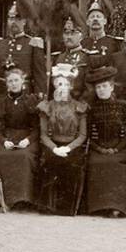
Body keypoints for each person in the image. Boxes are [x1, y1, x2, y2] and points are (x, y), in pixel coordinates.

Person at [84, 64, 126, 217]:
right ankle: (98, 206)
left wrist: (116, 149)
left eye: (104, 86)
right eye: (98, 87)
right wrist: (99, 148)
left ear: (112, 87)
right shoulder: (91, 108)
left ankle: (116, 207)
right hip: (98, 147)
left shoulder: (123, 106)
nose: (101, 90)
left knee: (116, 163)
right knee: (96, 162)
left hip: (119, 148)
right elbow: (88, 135)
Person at [37, 64, 87, 215]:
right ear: (54, 85)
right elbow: (43, 134)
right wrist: (54, 148)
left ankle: (66, 208)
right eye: (59, 84)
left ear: (71, 86)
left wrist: (69, 148)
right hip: (53, 145)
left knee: (71, 165)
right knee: (51, 162)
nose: (62, 87)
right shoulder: (47, 107)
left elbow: (82, 135)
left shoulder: (79, 107)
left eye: (66, 84)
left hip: (72, 146)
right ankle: (49, 206)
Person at [0, 63, 41, 208]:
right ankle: (5, 199)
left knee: (24, 156)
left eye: (16, 80)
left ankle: (24, 198)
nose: (13, 84)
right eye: (10, 81)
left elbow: (37, 128)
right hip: (7, 137)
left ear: (22, 82)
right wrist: (3, 141)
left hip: (28, 138)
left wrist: (28, 140)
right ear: (6, 84)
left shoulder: (31, 100)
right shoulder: (1, 102)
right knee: (1, 155)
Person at [0, 0, 46, 97]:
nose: (14, 21)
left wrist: (40, 97)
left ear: (24, 21)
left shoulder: (33, 44)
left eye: (18, 18)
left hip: (24, 96)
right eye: (11, 18)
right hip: (1, 96)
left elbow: (40, 76)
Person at [53, 4, 94, 100]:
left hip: (78, 108)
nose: (69, 37)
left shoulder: (87, 58)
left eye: (73, 33)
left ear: (81, 36)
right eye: (66, 33)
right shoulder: (58, 58)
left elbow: (89, 90)